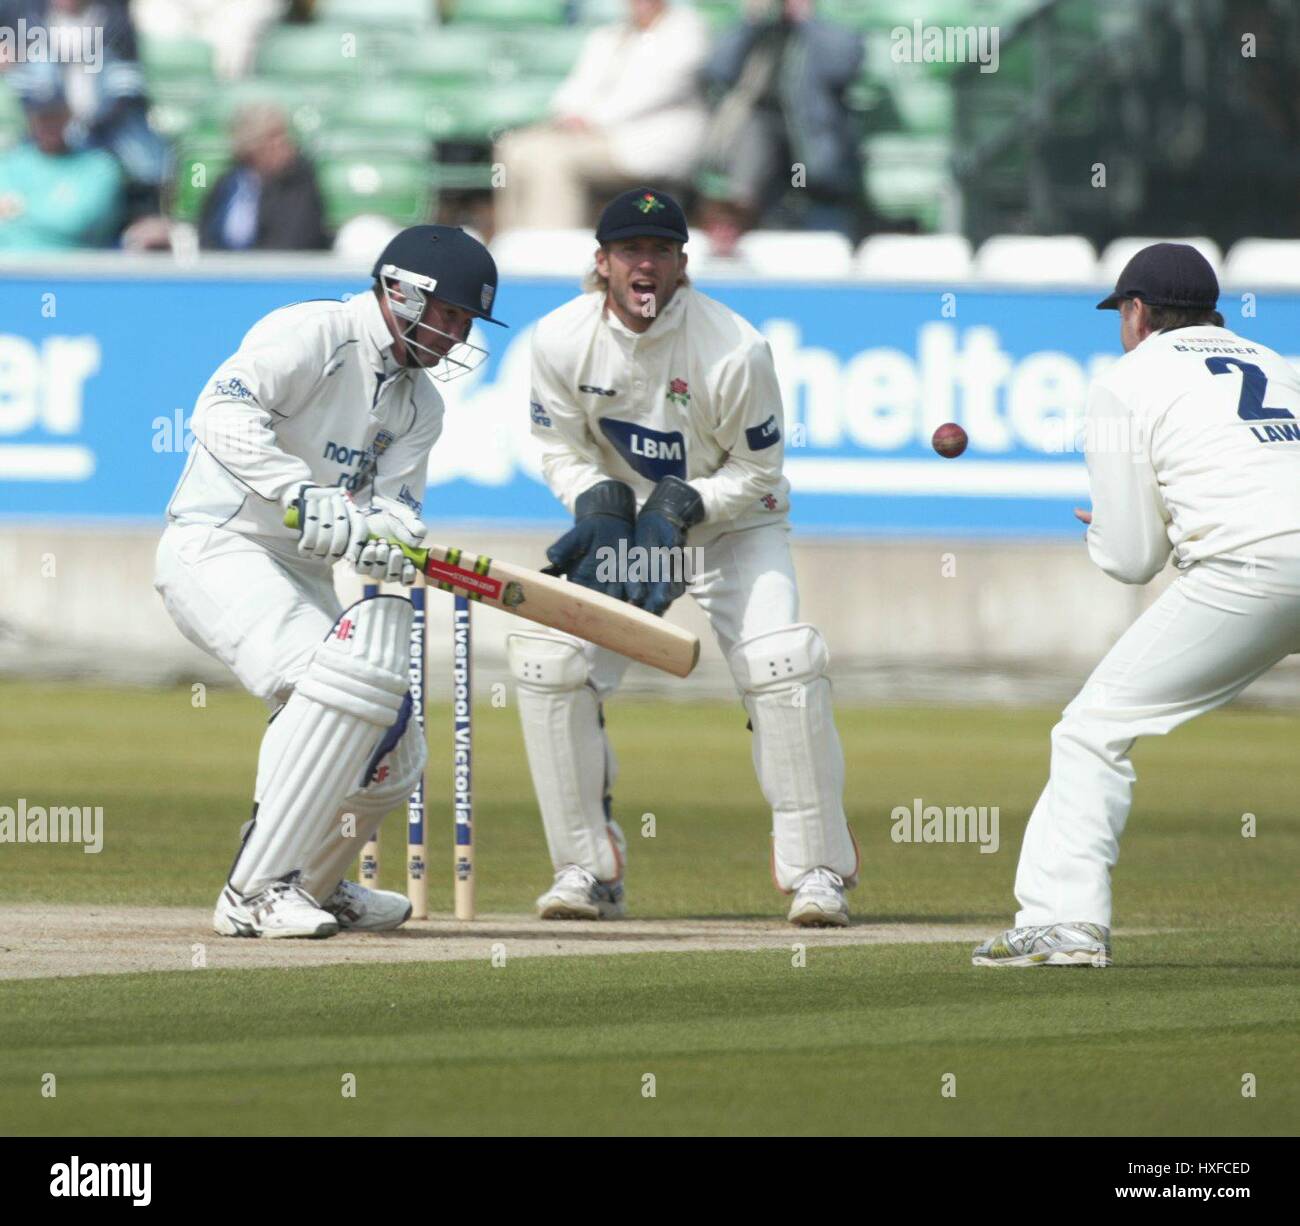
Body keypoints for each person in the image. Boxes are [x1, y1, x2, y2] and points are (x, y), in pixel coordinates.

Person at [513, 186, 859, 927]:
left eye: (661, 251)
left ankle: (818, 872)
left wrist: (686, 505)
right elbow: (554, 446)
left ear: (682, 263)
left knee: (782, 666)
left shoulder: (735, 349)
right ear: (602, 263)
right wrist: (596, 499)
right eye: (631, 251)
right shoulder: (559, 339)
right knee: (551, 666)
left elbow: (760, 474)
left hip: (733, 529)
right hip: (634, 534)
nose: (647, 265)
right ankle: (587, 869)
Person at [154, 226, 507, 939]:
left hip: (303, 572)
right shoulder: (315, 332)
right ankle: (256, 889)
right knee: (328, 684)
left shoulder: (419, 407)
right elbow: (218, 411)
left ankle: (316, 881)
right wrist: (302, 492)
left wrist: (389, 538)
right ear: (401, 290)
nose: (455, 334)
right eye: (448, 314)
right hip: (218, 542)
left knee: (395, 739)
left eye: (465, 323)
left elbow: (394, 508)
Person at [974, 243, 1300, 968]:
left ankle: (1065, 923)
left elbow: (1131, 560)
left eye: (1122, 311)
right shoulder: (1278, 362)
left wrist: (1115, 528)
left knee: (1091, 730)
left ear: (1139, 313)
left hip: (1248, 570)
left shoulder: (1126, 380)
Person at [493, 0, 708, 232]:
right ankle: (512, 243)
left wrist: (590, 120)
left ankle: (552, 249)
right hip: (590, 135)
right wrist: (568, 114)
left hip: (649, 142)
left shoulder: (687, 30)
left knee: (551, 158)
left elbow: (658, 88)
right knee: (512, 148)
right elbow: (577, 85)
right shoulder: (608, 35)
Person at [696, 0, 865, 247]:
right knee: (753, 138)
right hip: (758, 141)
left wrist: (805, 18)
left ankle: (796, 207)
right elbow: (717, 69)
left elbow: (844, 63)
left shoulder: (827, 22)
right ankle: (738, 219)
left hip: (807, 145)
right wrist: (751, 22)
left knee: (802, 179)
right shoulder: (758, 29)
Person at [198, 102, 328, 252]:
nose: (282, 144)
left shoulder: (299, 183)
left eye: (283, 135)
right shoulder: (228, 183)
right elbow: (207, 235)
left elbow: (292, 242)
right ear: (252, 145)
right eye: (273, 137)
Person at [0, 96, 123, 249]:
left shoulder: (99, 166)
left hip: (70, 268)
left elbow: (74, 222)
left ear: (69, 117)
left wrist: (17, 209)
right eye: (42, 117)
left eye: (55, 117)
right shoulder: (9, 161)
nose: (48, 125)